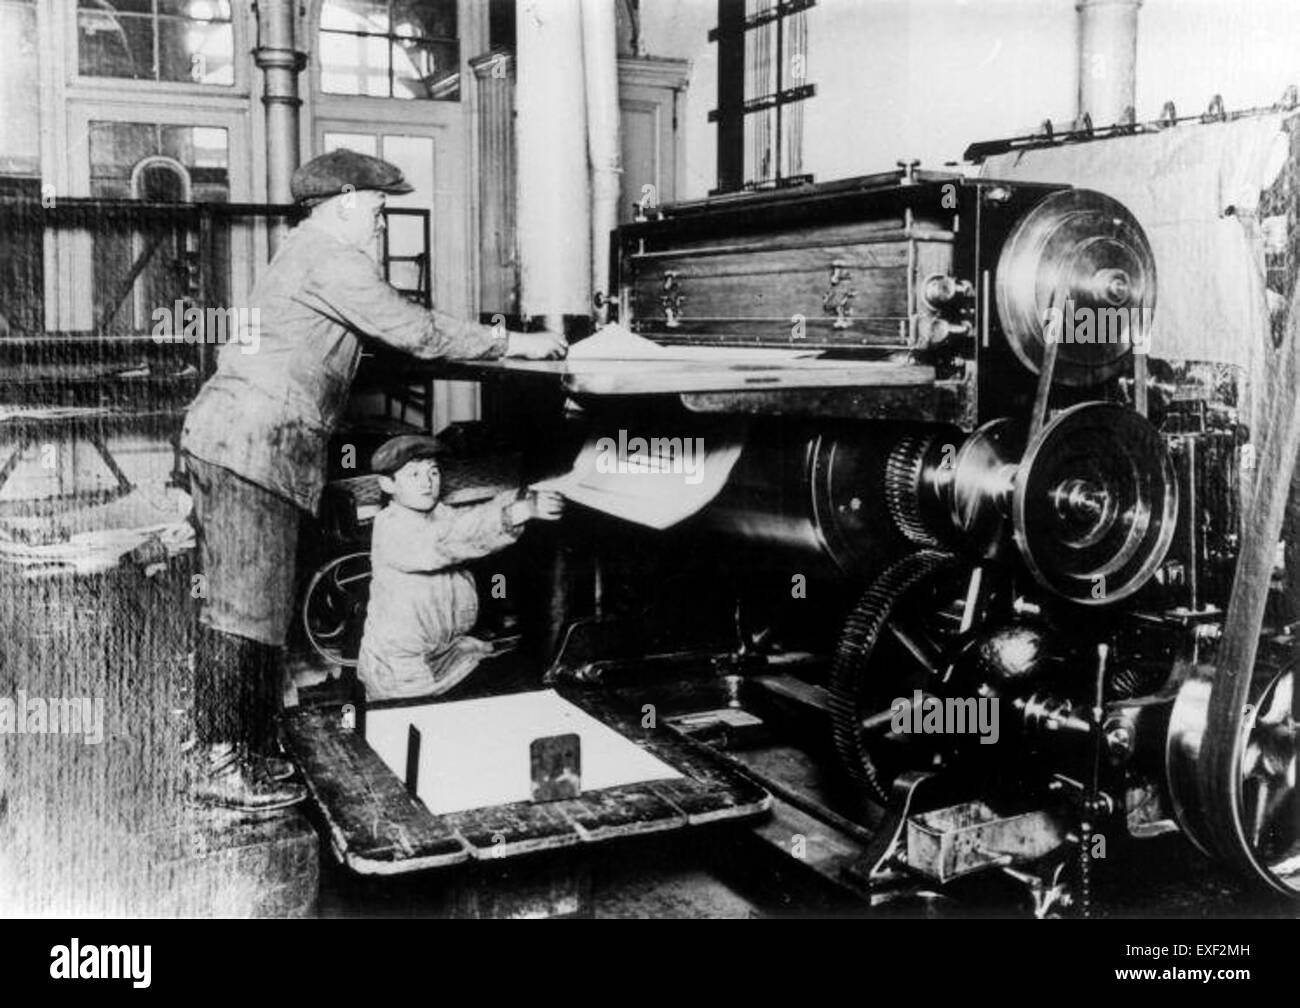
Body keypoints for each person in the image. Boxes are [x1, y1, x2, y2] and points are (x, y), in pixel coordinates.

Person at [180, 149, 567, 811]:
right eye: (380, 208)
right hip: (253, 445)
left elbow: (382, 338)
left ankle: (224, 747)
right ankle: (223, 765)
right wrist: (513, 344)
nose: (383, 222)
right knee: (248, 614)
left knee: (237, 606)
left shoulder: (303, 253)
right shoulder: (333, 257)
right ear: (348, 201)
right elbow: (410, 329)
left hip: (233, 439)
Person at [357, 435, 564, 701]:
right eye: (414, 474)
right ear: (387, 484)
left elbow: (469, 517)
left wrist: (522, 495)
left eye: (433, 471)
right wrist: (516, 512)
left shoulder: (436, 513)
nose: (427, 482)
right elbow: (454, 537)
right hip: (402, 672)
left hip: (444, 654)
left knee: (521, 675)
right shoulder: (392, 527)